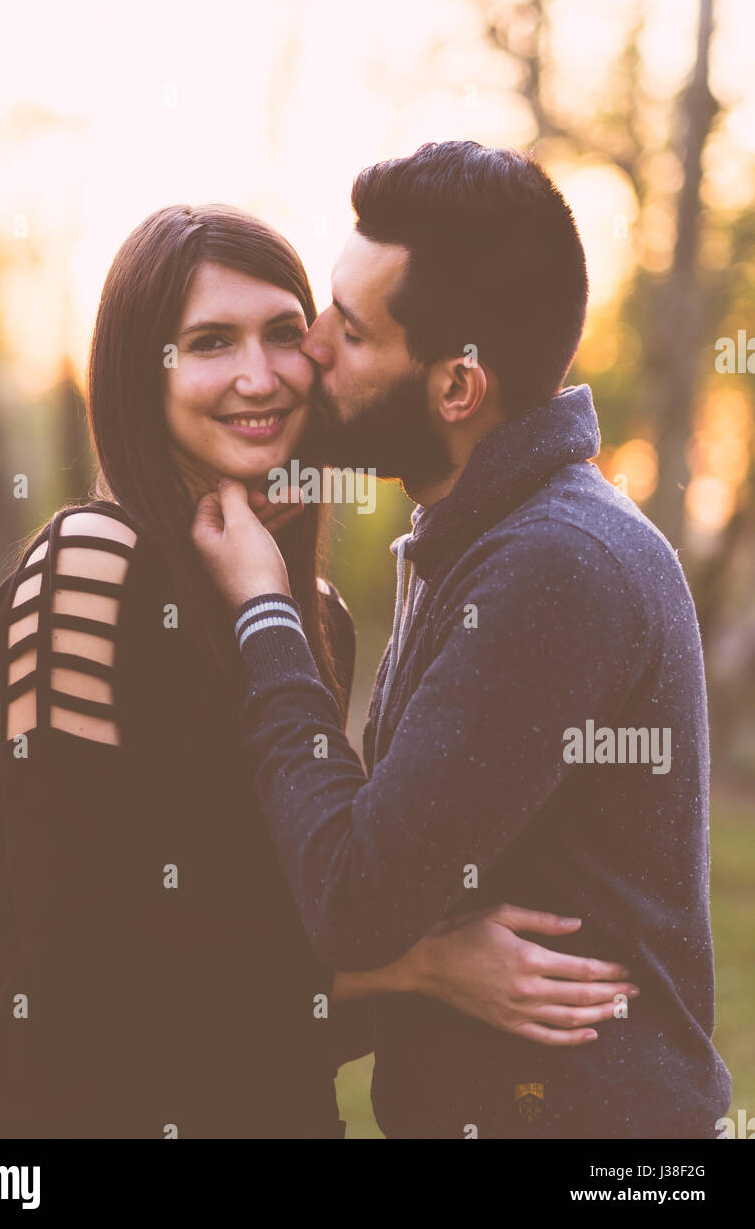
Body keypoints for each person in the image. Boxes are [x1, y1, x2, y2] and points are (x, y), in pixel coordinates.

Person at [0, 201, 632, 1141]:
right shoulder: (89, 568)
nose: (259, 375)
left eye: (283, 333)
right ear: (139, 372)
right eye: (209, 342)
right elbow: (81, 961)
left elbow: (290, 969)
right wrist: (416, 966)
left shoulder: (309, 616)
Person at [191, 142, 733, 1139]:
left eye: (350, 330)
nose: (310, 348)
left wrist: (265, 612)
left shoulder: (554, 563)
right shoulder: (487, 535)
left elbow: (353, 898)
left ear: (456, 389)